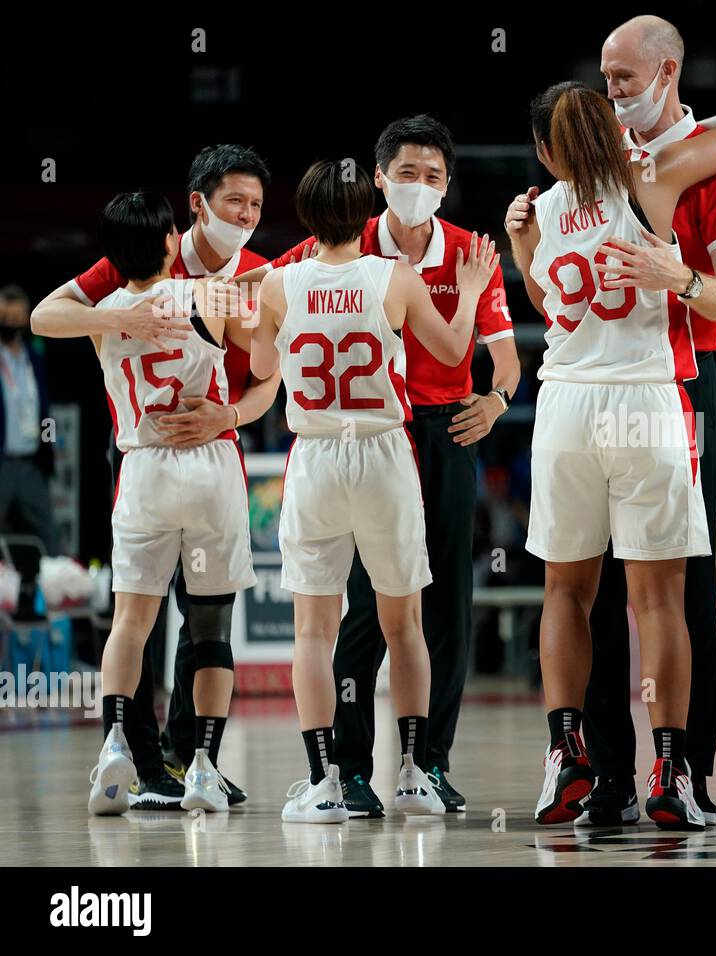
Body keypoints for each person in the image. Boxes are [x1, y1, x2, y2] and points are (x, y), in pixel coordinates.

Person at [238, 116, 519, 817]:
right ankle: (383, 769)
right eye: (407, 173)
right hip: (387, 442)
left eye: (432, 176)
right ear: (376, 183)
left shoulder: (287, 275)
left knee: (384, 613)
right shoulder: (383, 267)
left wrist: (498, 398)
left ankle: (366, 772)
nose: (419, 186)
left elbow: (263, 366)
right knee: (394, 617)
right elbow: (455, 346)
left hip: (391, 439)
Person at [506, 82, 716, 830]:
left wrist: (523, 247)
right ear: (614, 136)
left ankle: (566, 751)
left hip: (564, 407)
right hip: (645, 400)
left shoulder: (543, 209)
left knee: (566, 594)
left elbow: (548, 302)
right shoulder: (649, 178)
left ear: (546, 150)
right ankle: (672, 768)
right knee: (659, 601)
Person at [31, 144, 280, 810]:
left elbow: (43, 317)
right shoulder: (215, 292)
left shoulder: (103, 312)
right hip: (210, 467)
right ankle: (200, 762)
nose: (247, 215)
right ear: (178, 233)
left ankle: (115, 746)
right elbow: (266, 363)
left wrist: (113, 315)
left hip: (141, 466)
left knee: (130, 624)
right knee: (210, 628)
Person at [581, 13, 716, 827]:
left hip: (679, 385)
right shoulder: (604, 154)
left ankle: (684, 768)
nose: (611, 92)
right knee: (593, 586)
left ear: (667, 72)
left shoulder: (713, 165)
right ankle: (607, 774)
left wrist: (677, 276)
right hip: (594, 385)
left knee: (681, 587)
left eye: (623, 78)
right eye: (606, 78)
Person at [0, 285, 57, 556]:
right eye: (5, 319)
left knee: (49, 534)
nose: (12, 324)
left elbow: (45, 410)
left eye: (16, 318)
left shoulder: (34, 356)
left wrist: (48, 447)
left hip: (31, 464)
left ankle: (59, 584)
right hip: (2, 462)